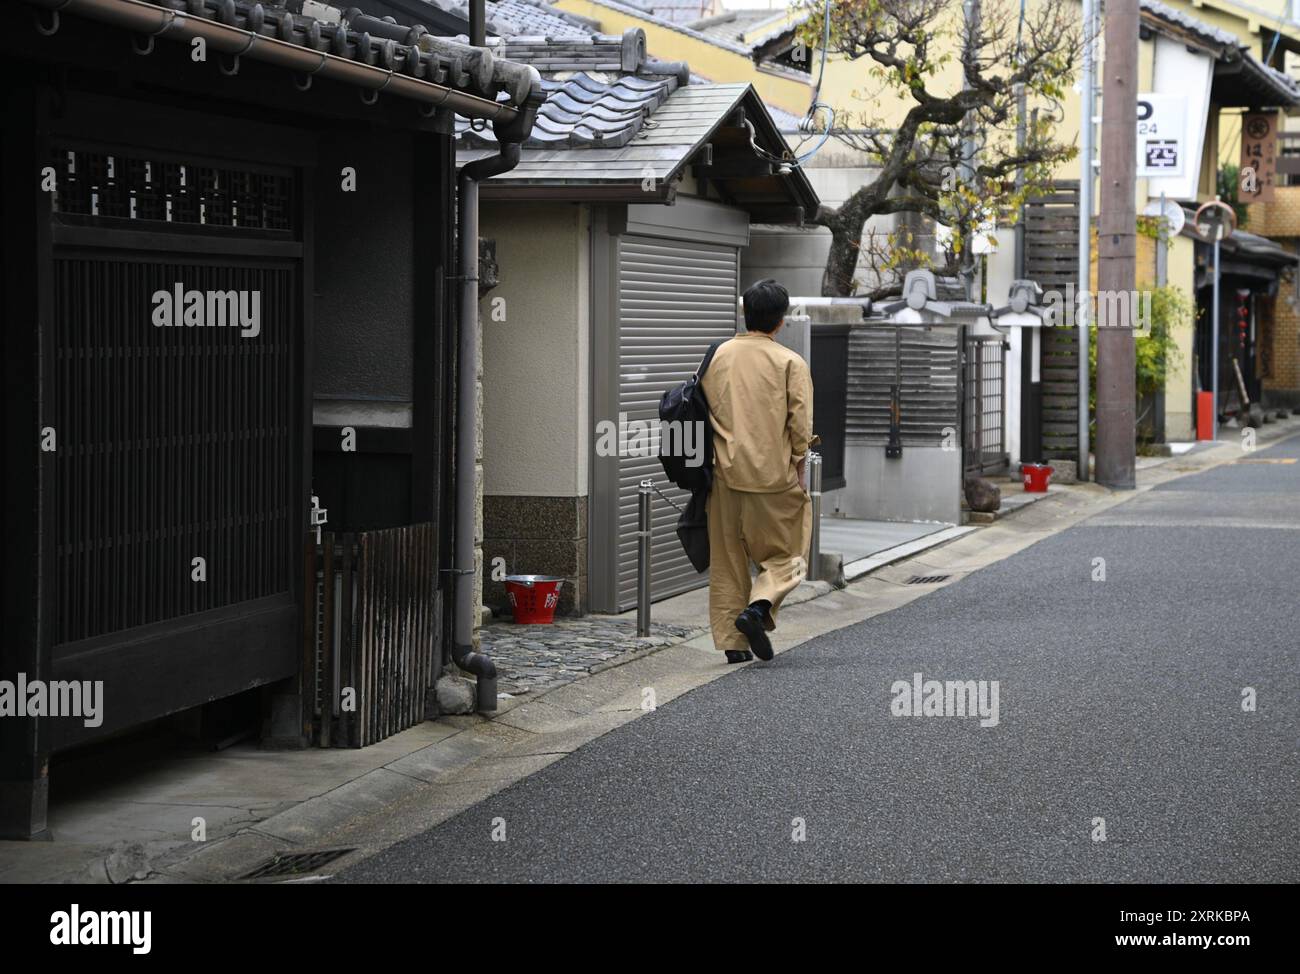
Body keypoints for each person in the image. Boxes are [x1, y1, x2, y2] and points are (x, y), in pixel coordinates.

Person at [700, 279, 814, 663]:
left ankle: (734, 646)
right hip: (772, 477)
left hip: (724, 475)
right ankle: (758, 608)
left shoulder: (717, 356)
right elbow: (800, 426)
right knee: (789, 551)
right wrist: (799, 463)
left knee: (729, 559)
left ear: (744, 313)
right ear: (780, 321)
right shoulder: (789, 363)